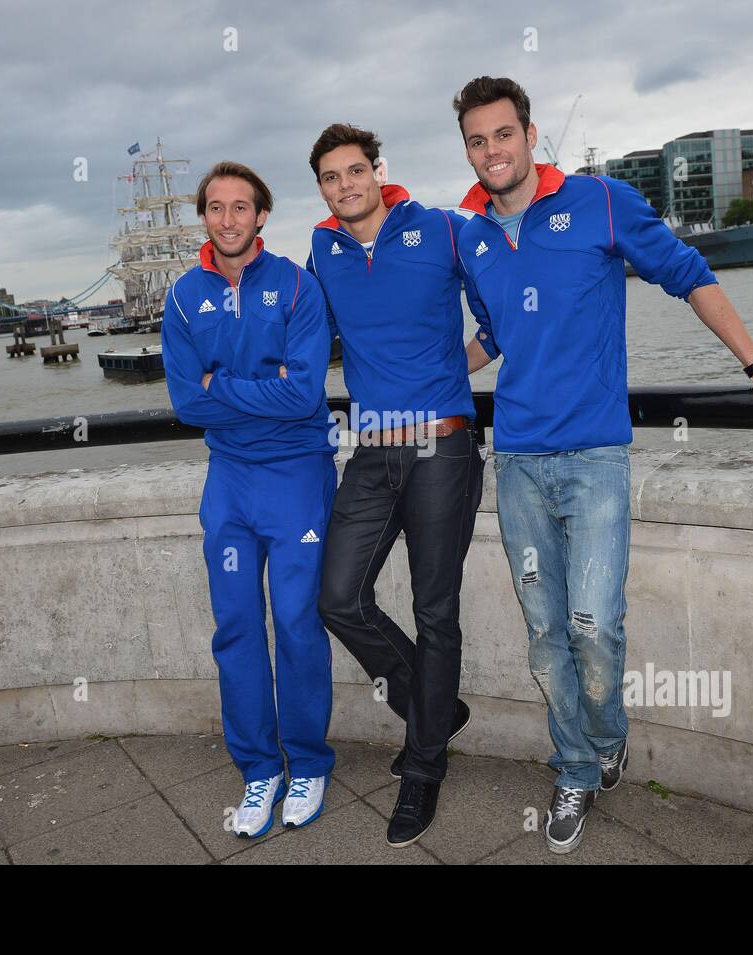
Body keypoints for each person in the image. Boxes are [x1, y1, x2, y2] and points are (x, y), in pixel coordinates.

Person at [451, 76, 753, 854]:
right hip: (519, 460)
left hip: (595, 456)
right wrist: (428, 391)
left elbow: (687, 274)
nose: (492, 150)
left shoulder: (601, 201)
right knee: (544, 633)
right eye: (476, 140)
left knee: (595, 624)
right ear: (468, 148)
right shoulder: (473, 236)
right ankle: (574, 769)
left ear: (529, 135)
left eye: (503, 134)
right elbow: (492, 337)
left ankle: (606, 734)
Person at [306, 124, 485, 847]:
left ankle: (425, 764)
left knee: (436, 610)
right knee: (338, 597)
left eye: (356, 170)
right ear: (320, 187)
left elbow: (501, 317)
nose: (345, 185)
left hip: (441, 448)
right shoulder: (322, 248)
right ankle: (432, 706)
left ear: (379, 171)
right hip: (373, 456)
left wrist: (447, 376)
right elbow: (298, 328)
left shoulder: (440, 229)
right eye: (330, 176)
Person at [162, 160, 337, 838]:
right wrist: (250, 392)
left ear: (262, 215)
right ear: (204, 216)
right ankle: (259, 766)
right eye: (215, 207)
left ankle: (310, 760)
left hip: (297, 479)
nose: (228, 218)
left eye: (241, 207)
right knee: (235, 628)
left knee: (296, 625)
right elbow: (185, 400)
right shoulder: (183, 298)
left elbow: (304, 395)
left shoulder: (297, 285)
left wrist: (222, 387)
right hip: (228, 483)